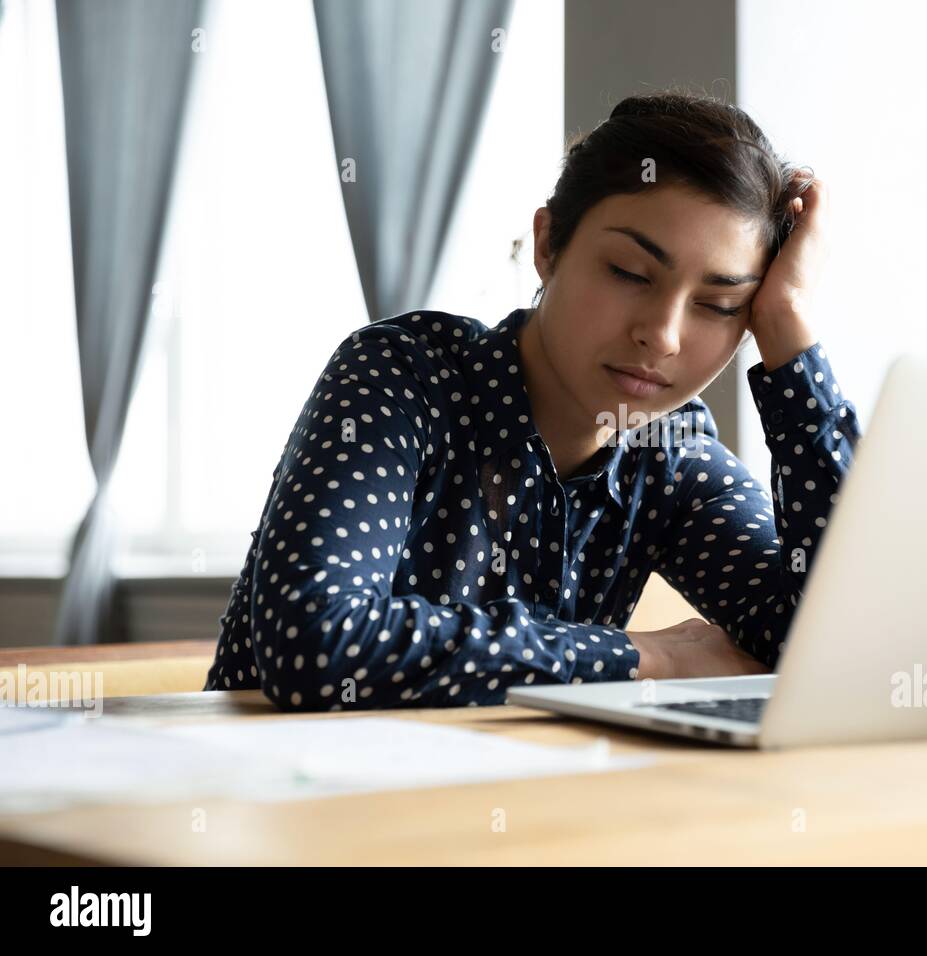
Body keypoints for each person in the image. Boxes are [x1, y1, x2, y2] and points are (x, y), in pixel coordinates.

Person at [203, 90, 860, 710]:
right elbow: (315, 642)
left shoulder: (674, 451)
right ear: (548, 245)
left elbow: (834, 644)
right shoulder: (401, 376)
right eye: (630, 273)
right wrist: (646, 659)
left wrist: (789, 327)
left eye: (720, 305)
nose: (661, 335)